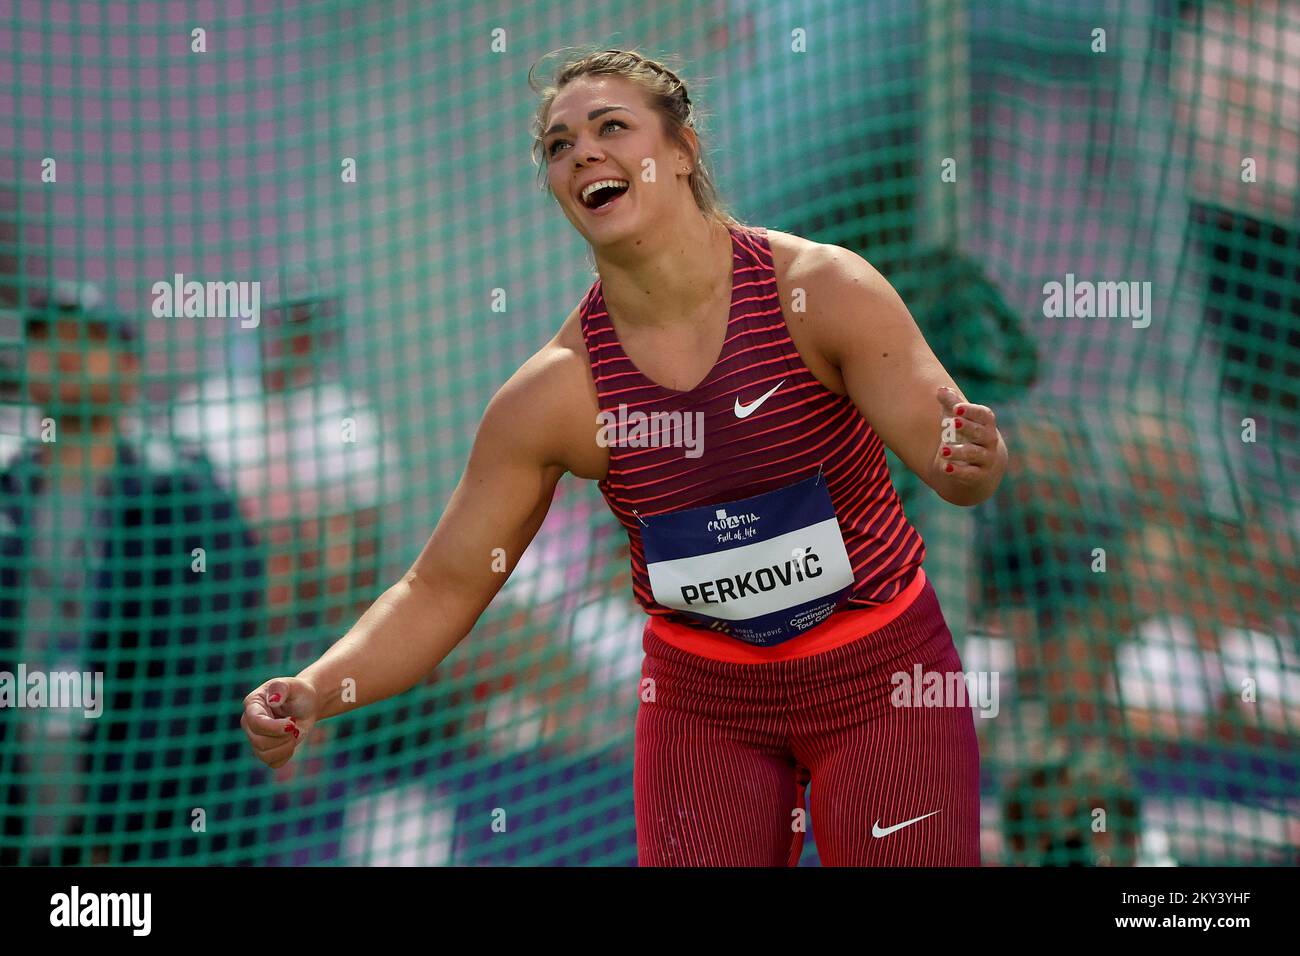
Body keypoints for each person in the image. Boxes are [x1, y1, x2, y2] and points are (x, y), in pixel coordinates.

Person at [242, 48, 1010, 866]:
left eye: (612, 127)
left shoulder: (823, 291)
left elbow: (957, 469)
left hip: (881, 683)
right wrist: (317, 687)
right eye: (559, 146)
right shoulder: (555, 395)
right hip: (704, 710)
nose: (584, 154)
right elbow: (440, 587)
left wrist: (976, 460)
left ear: (683, 152)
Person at [0, 283, 265, 864]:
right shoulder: (10, 492)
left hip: (157, 837)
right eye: (47, 338)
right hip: (30, 829)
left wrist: (117, 819)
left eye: (87, 338)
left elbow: (199, 676)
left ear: (129, 368)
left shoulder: (182, 497)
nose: (64, 353)